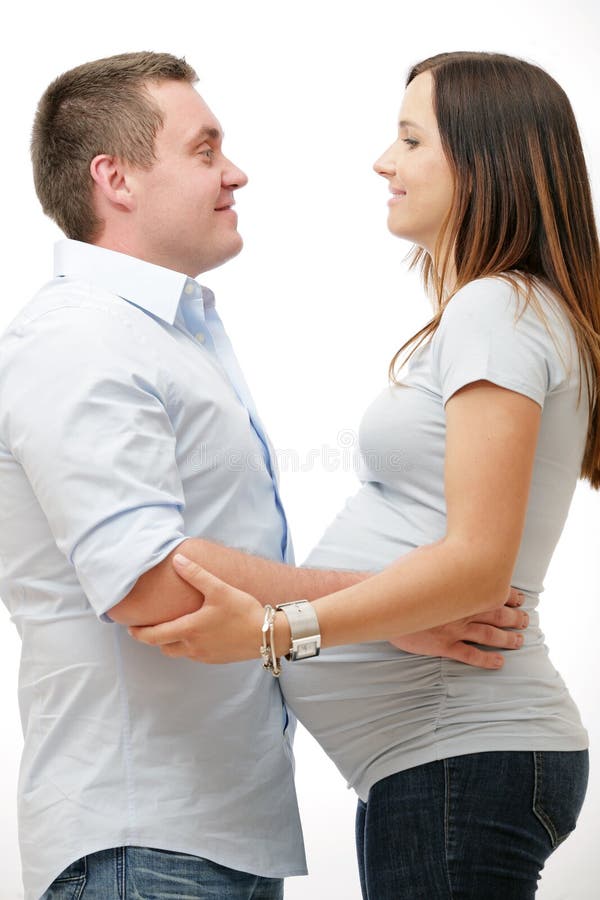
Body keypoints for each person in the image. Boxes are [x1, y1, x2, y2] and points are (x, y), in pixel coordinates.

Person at [0, 50, 526, 899]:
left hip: (209, 839)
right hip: (145, 843)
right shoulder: (79, 338)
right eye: (204, 150)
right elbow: (151, 584)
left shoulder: (162, 336)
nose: (235, 172)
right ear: (116, 178)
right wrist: (392, 608)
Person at [131, 51, 600, 898]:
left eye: (412, 139)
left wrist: (280, 632)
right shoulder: (503, 312)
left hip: (462, 752)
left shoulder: (498, 307)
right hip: (442, 763)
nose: (384, 162)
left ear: (484, 159)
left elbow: (476, 565)